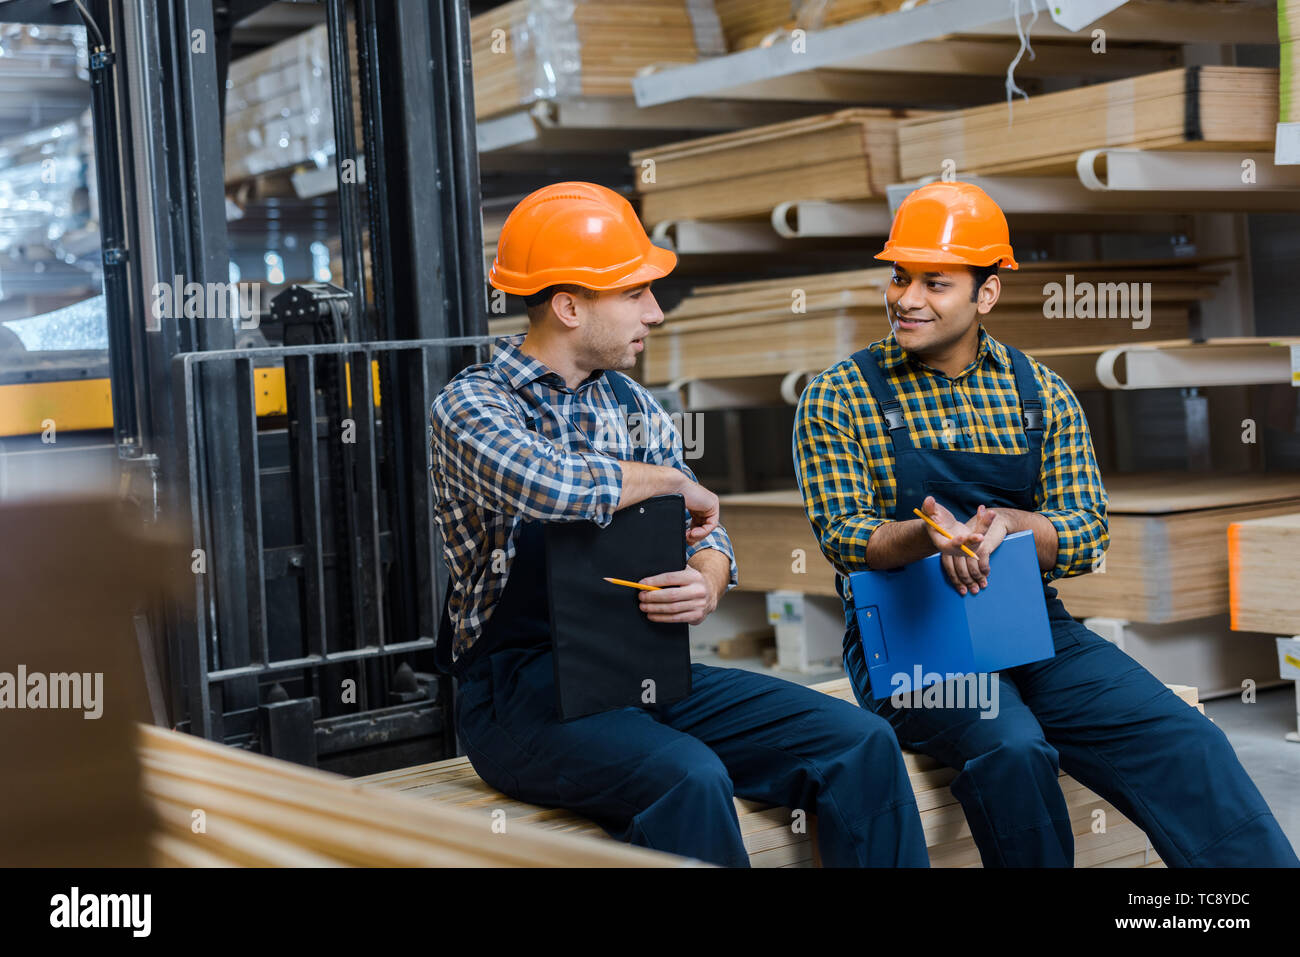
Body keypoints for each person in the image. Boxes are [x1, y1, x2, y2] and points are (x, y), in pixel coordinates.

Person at [794, 180, 1299, 868]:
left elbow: (1088, 531)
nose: (906, 298)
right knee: (1011, 745)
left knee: (1186, 737)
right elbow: (842, 533)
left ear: (987, 292)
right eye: (899, 276)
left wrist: (1009, 525)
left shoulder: (1040, 392)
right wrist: (928, 536)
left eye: (935, 282)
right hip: (909, 637)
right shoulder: (840, 393)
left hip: (1031, 622)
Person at [429, 182, 929, 867]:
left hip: (642, 671)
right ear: (570, 305)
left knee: (859, 742)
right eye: (636, 293)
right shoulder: (471, 406)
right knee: (687, 778)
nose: (656, 313)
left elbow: (707, 530)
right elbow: (549, 485)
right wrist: (669, 481)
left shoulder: (634, 404)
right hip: (521, 699)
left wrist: (707, 577)